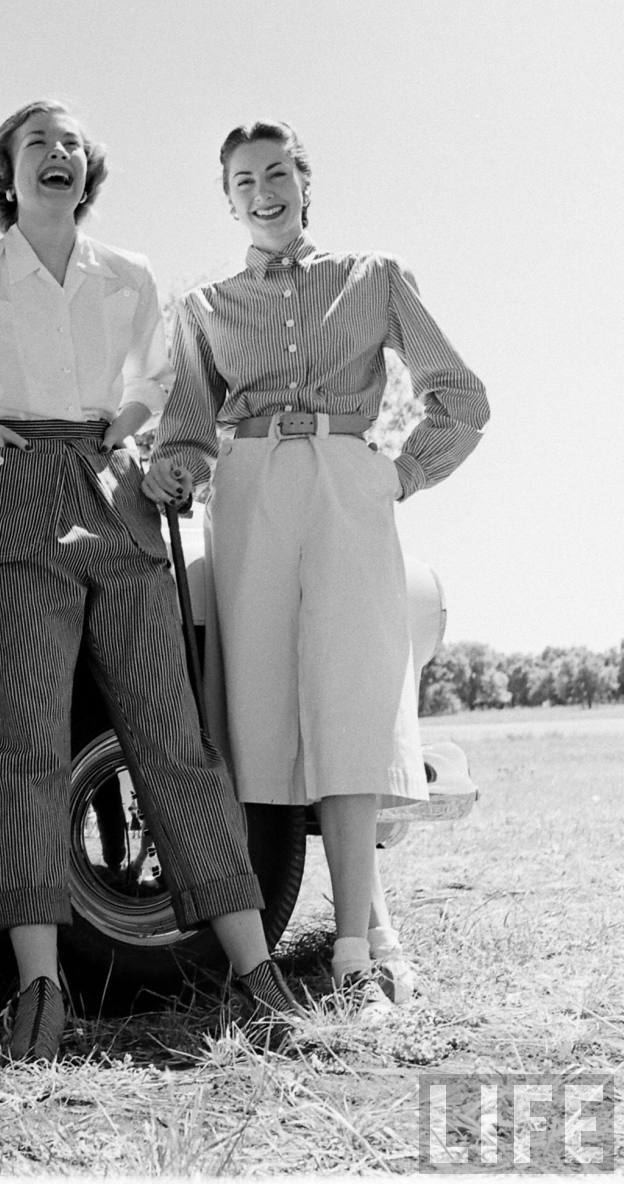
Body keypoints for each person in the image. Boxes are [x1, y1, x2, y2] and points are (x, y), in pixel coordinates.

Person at [0, 100, 302, 1061]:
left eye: (72, 144)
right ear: (5, 169)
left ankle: (256, 972)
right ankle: (39, 986)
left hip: (110, 489)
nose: (57, 155)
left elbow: (164, 381)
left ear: (89, 171)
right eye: (36, 143)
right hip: (8, 491)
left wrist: (131, 427)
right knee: (23, 743)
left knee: (171, 730)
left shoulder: (128, 274)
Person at [144, 120, 489, 1009]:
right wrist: (170, 470)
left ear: (306, 182)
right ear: (227, 200)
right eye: (243, 181)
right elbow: (186, 428)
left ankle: (351, 951)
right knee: (257, 718)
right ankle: (300, 940)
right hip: (249, 490)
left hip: (349, 480)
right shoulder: (203, 307)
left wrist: (403, 473)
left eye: (277, 173)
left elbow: (460, 393)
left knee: (347, 709)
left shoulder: (373, 276)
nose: (263, 192)